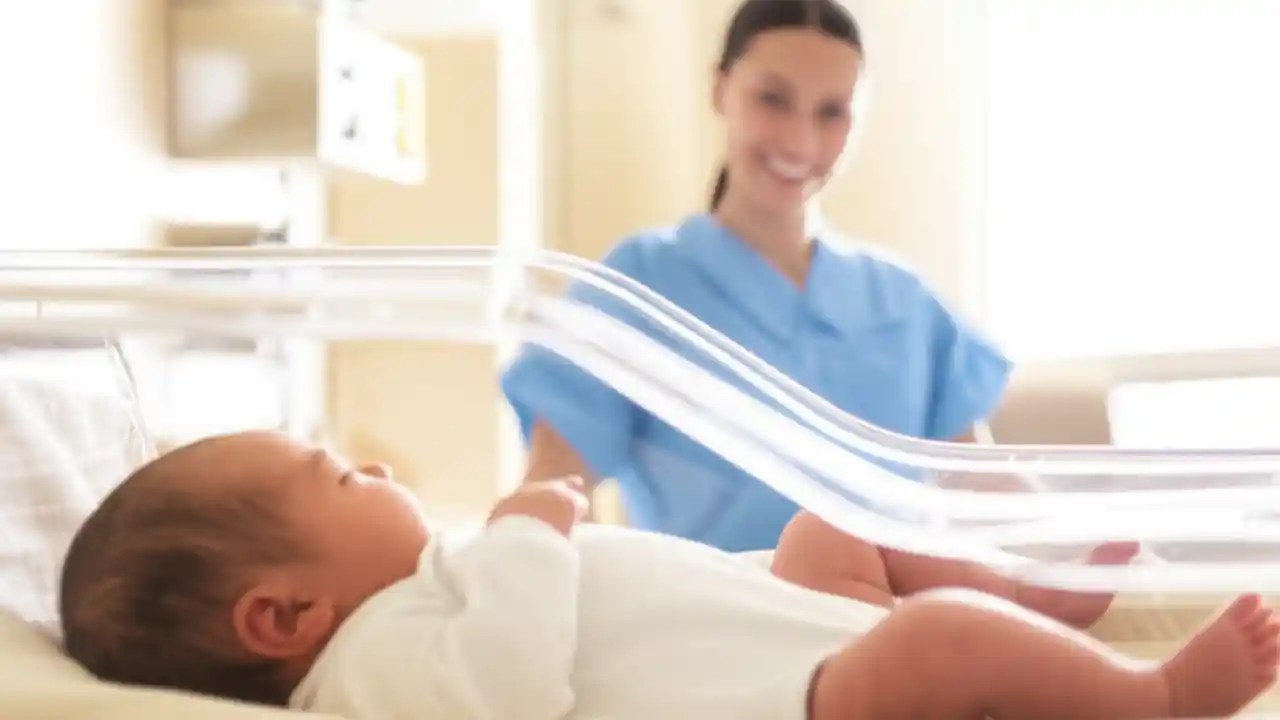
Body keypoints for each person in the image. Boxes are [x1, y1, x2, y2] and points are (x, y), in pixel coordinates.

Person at [500, 0, 1132, 628]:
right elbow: (556, 491)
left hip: (902, 631)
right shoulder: (637, 287)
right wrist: (489, 599)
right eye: (772, 99)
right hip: (716, 632)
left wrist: (1095, 547)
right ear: (720, 89)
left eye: (832, 113)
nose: (801, 140)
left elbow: (980, 491)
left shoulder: (902, 301)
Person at [60, 431, 1279, 719]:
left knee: (830, 522)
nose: (373, 465)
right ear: (282, 617)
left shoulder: (419, 587)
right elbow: (513, 687)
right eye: (338, 476)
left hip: (787, 613)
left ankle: (1038, 608)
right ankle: (1151, 699)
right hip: (806, 697)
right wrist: (526, 529)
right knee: (937, 640)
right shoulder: (369, 673)